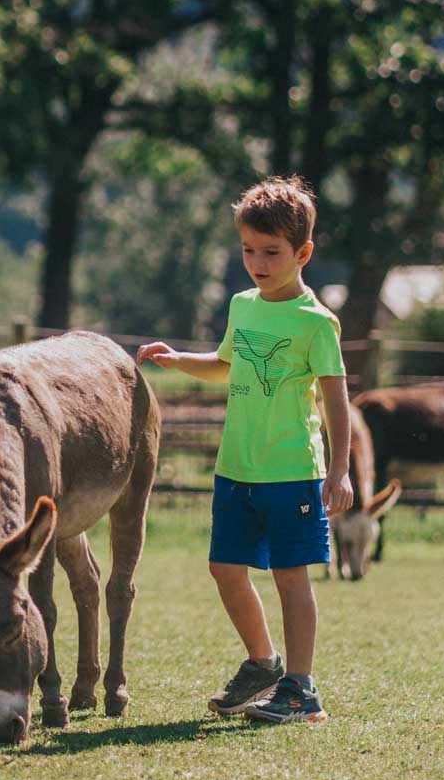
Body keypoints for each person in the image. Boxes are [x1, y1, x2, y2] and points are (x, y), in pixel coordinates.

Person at [136, 176, 352, 724]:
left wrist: (341, 471)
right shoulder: (242, 305)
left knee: (290, 577)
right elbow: (227, 364)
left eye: (271, 252)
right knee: (225, 568)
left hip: (293, 472)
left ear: (302, 253)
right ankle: (263, 664)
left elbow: (336, 401)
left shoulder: (317, 323)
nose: (258, 261)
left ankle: (302, 691)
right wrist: (178, 359)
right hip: (237, 470)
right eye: (249, 250)